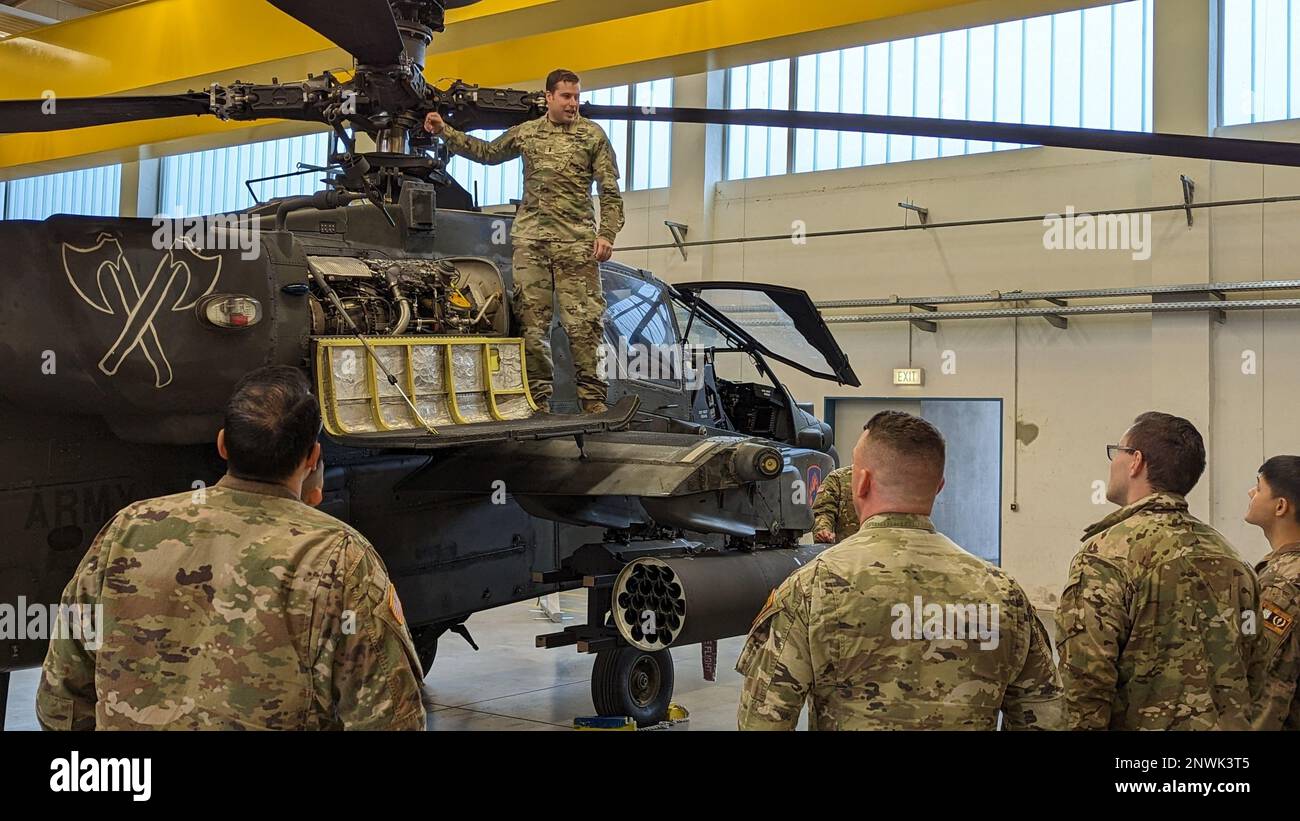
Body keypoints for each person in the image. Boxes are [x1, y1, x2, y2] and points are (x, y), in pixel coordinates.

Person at [36, 366, 426, 730]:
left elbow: (61, 702)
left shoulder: (129, 527)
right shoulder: (339, 556)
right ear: (312, 457)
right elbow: (391, 717)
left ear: (223, 445)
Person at [737, 411, 1062, 730]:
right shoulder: (1004, 594)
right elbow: (1047, 717)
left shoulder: (813, 586)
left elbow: (763, 719)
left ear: (861, 482)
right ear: (939, 487)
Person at [425, 68, 625, 413]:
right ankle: (538, 398)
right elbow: (487, 153)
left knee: (584, 322)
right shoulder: (527, 133)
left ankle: (592, 398)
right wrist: (446, 132)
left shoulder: (593, 136)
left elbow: (610, 192)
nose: (573, 103)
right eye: (566, 96)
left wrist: (606, 233)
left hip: (576, 244)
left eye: (576, 96)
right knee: (532, 324)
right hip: (531, 242)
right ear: (548, 97)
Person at [1056, 411, 1259, 730]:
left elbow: (1086, 681)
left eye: (1117, 452)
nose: (1112, 463)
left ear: (1135, 461)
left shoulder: (1107, 554)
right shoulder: (1234, 560)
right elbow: (1253, 673)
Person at [1245, 455, 1300, 730]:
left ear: (1280, 506)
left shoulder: (1282, 586)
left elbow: (1270, 688)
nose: (1251, 493)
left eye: (1258, 487)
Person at [812, 465, 859, 544]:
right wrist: (824, 530)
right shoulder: (838, 478)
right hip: (848, 549)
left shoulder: (886, 477)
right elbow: (823, 511)